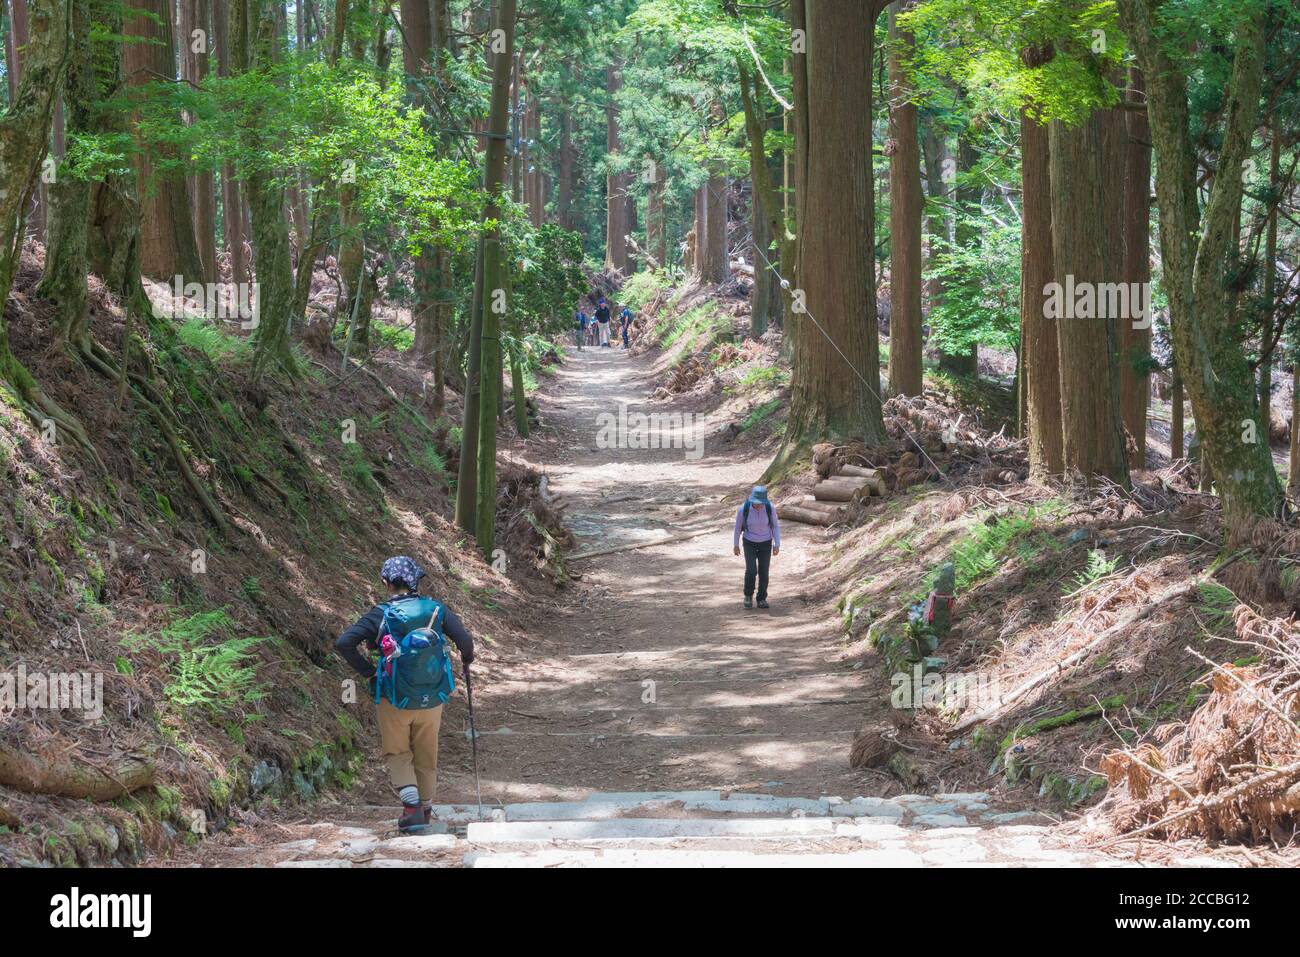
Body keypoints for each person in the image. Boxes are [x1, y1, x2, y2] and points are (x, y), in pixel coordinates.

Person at [336, 556, 475, 831]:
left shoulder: (381, 614)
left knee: (398, 751)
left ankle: (411, 809)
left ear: (386, 583)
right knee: (426, 753)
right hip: (433, 697)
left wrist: (370, 672)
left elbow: (344, 643)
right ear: (416, 581)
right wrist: (467, 660)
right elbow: (465, 642)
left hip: (393, 697)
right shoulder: (436, 609)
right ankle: (424, 811)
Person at [732, 486, 780, 609]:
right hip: (749, 542)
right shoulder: (744, 509)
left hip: (766, 542)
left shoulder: (770, 508)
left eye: (761, 504)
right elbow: (738, 527)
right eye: (756, 503)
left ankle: (762, 598)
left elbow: (775, 526)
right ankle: (748, 596)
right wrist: (736, 544)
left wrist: (777, 543)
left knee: (764, 571)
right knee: (751, 570)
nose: (759, 506)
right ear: (752, 500)